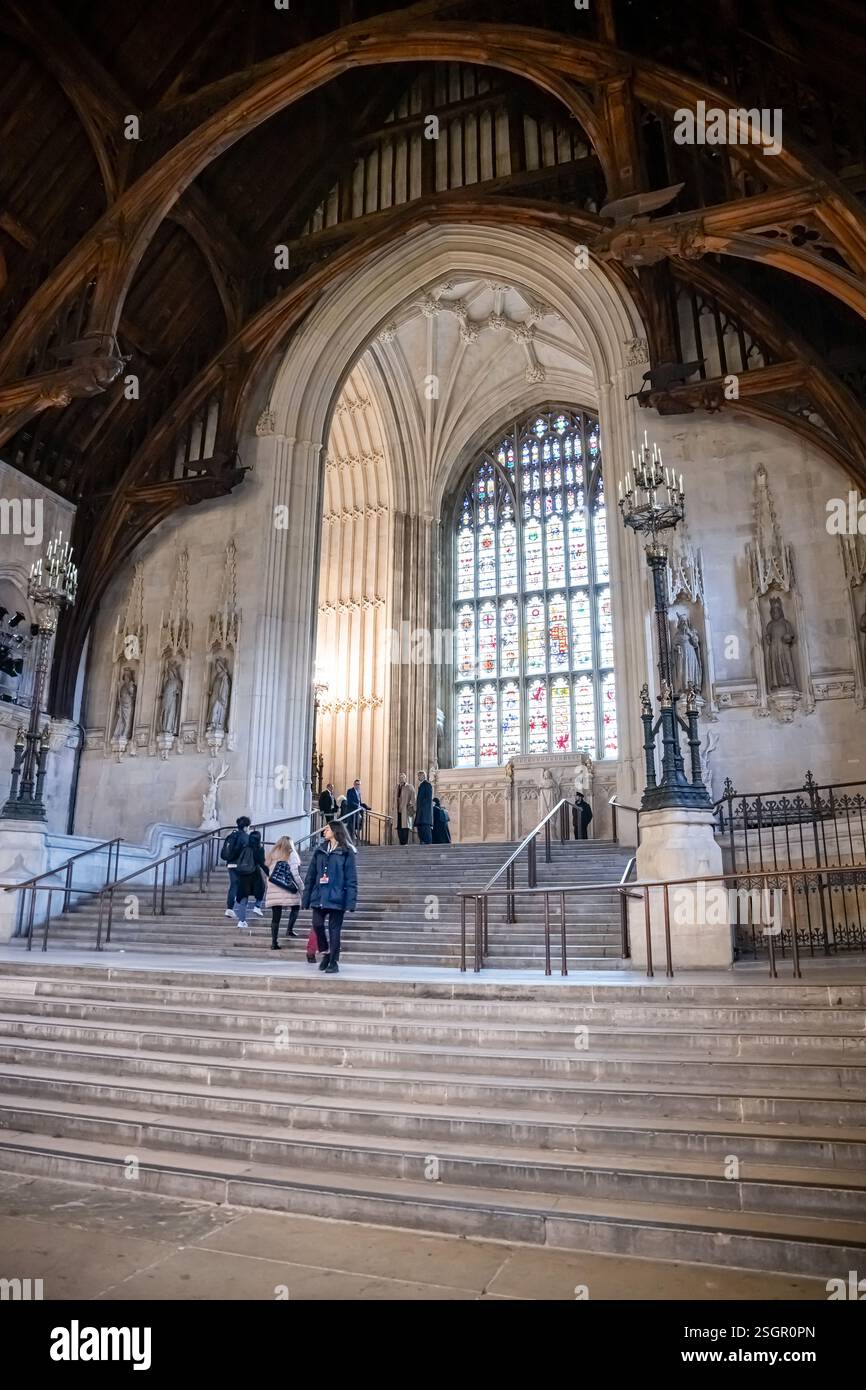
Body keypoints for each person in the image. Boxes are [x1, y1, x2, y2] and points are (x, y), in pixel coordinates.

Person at [302, 819, 358, 974]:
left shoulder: (346, 852)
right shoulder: (320, 851)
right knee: (317, 924)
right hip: (319, 895)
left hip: (337, 896)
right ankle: (325, 950)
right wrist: (306, 897)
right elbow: (311, 875)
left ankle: (333, 960)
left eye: (327, 829)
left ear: (335, 831)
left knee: (335, 930)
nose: (324, 831)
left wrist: (350, 901)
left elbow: (351, 878)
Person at [265, 836, 303, 950]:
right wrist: (301, 887)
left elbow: (268, 872)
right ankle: (289, 929)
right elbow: (295, 873)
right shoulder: (291, 854)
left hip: (274, 887)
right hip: (287, 886)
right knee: (296, 906)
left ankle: (274, 942)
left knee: (276, 916)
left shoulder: (272, 854)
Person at [232, 829, 268, 929]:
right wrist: (269, 873)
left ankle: (241, 921)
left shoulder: (244, 847)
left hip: (243, 875)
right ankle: (257, 906)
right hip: (254, 874)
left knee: (243, 898)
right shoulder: (259, 849)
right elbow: (262, 863)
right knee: (261, 889)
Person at [220, 815, 251, 918]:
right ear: (246, 827)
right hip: (241, 866)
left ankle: (229, 908)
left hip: (230, 864)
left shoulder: (231, 836)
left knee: (233, 885)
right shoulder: (246, 837)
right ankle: (242, 914)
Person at [395, 772, 416, 846]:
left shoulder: (409, 787)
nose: (401, 778)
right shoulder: (397, 787)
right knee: (399, 826)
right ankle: (401, 842)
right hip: (397, 810)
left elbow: (413, 798)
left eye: (403, 777)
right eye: (400, 777)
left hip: (405, 809)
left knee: (405, 826)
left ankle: (405, 842)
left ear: (405, 778)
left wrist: (413, 808)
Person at [415, 770, 433, 844]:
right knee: (421, 828)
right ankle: (423, 842)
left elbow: (428, 798)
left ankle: (428, 844)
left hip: (425, 812)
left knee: (425, 829)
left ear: (423, 776)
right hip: (421, 811)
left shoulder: (427, 784)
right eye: (418, 776)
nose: (418, 777)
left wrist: (422, 808)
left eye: (419, 775)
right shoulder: (422, 785)